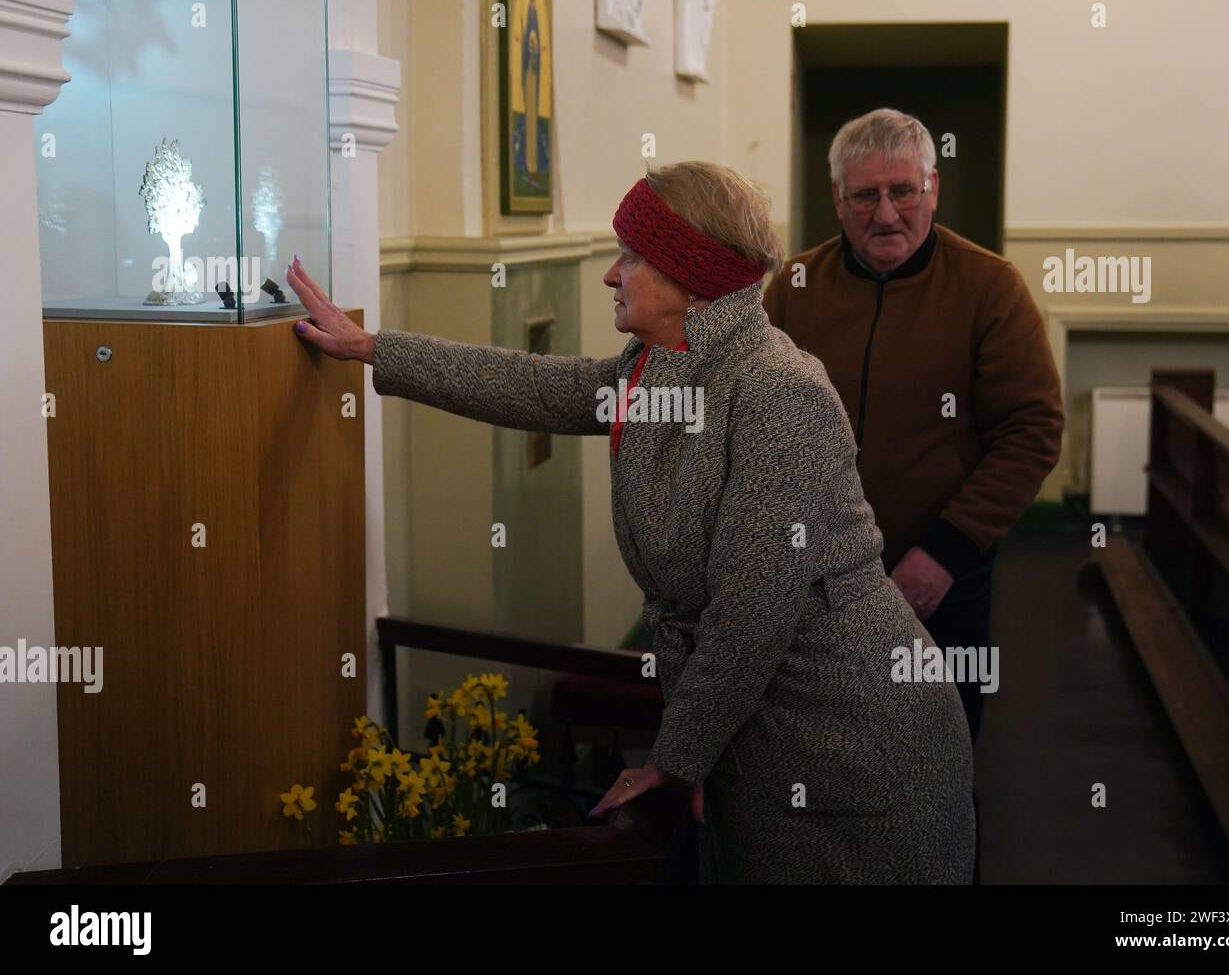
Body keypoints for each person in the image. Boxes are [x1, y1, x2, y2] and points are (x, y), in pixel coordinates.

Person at [285, 161, 975, 885]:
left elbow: (751, 613)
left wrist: (676, 758)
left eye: (633, 257)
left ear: (689, 275)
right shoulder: (660, 366)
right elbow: (533, 385)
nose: (612, 274)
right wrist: (372, 348)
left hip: (850, 743)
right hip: (764, 729)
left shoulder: (778, 392)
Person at [764, 109, 1063, 742]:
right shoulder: (794, 285)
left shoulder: (990, 287)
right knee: (823, 751)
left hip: (944, 568)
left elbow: (1032, 430)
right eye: (865, 195)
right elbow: (760, 414)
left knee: (940, 751)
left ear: (933, 189)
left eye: (903, 191)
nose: (886, 213)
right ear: (838, 201)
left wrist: (946, 552)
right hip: (816, 575)